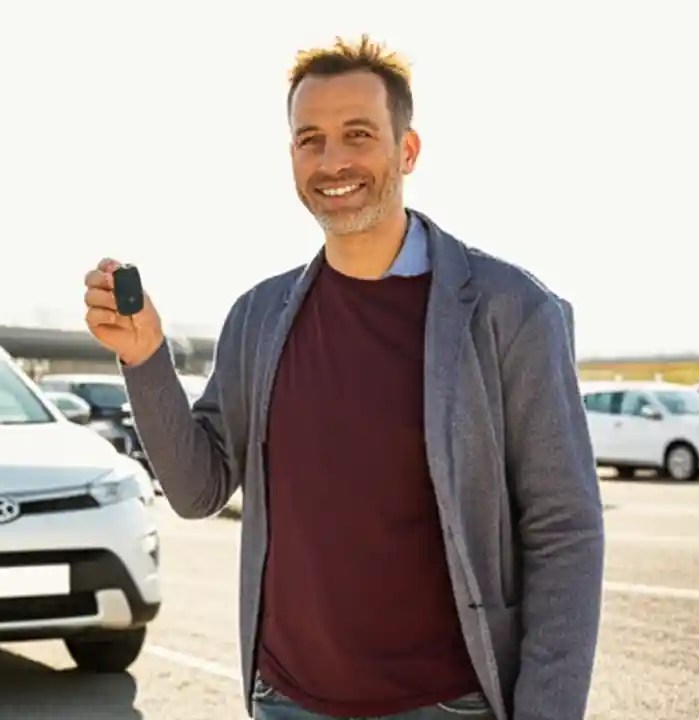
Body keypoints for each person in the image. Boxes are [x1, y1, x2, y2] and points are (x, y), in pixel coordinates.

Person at [82, 35, 604, 720]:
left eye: (358, 134)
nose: (333, 162)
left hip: (450, 704)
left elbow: (565, 528)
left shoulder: (511, 311)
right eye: (310, 140)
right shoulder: (260, 315)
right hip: (287, 700)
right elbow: (198, 489)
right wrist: (145, 358)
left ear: (407, 150)